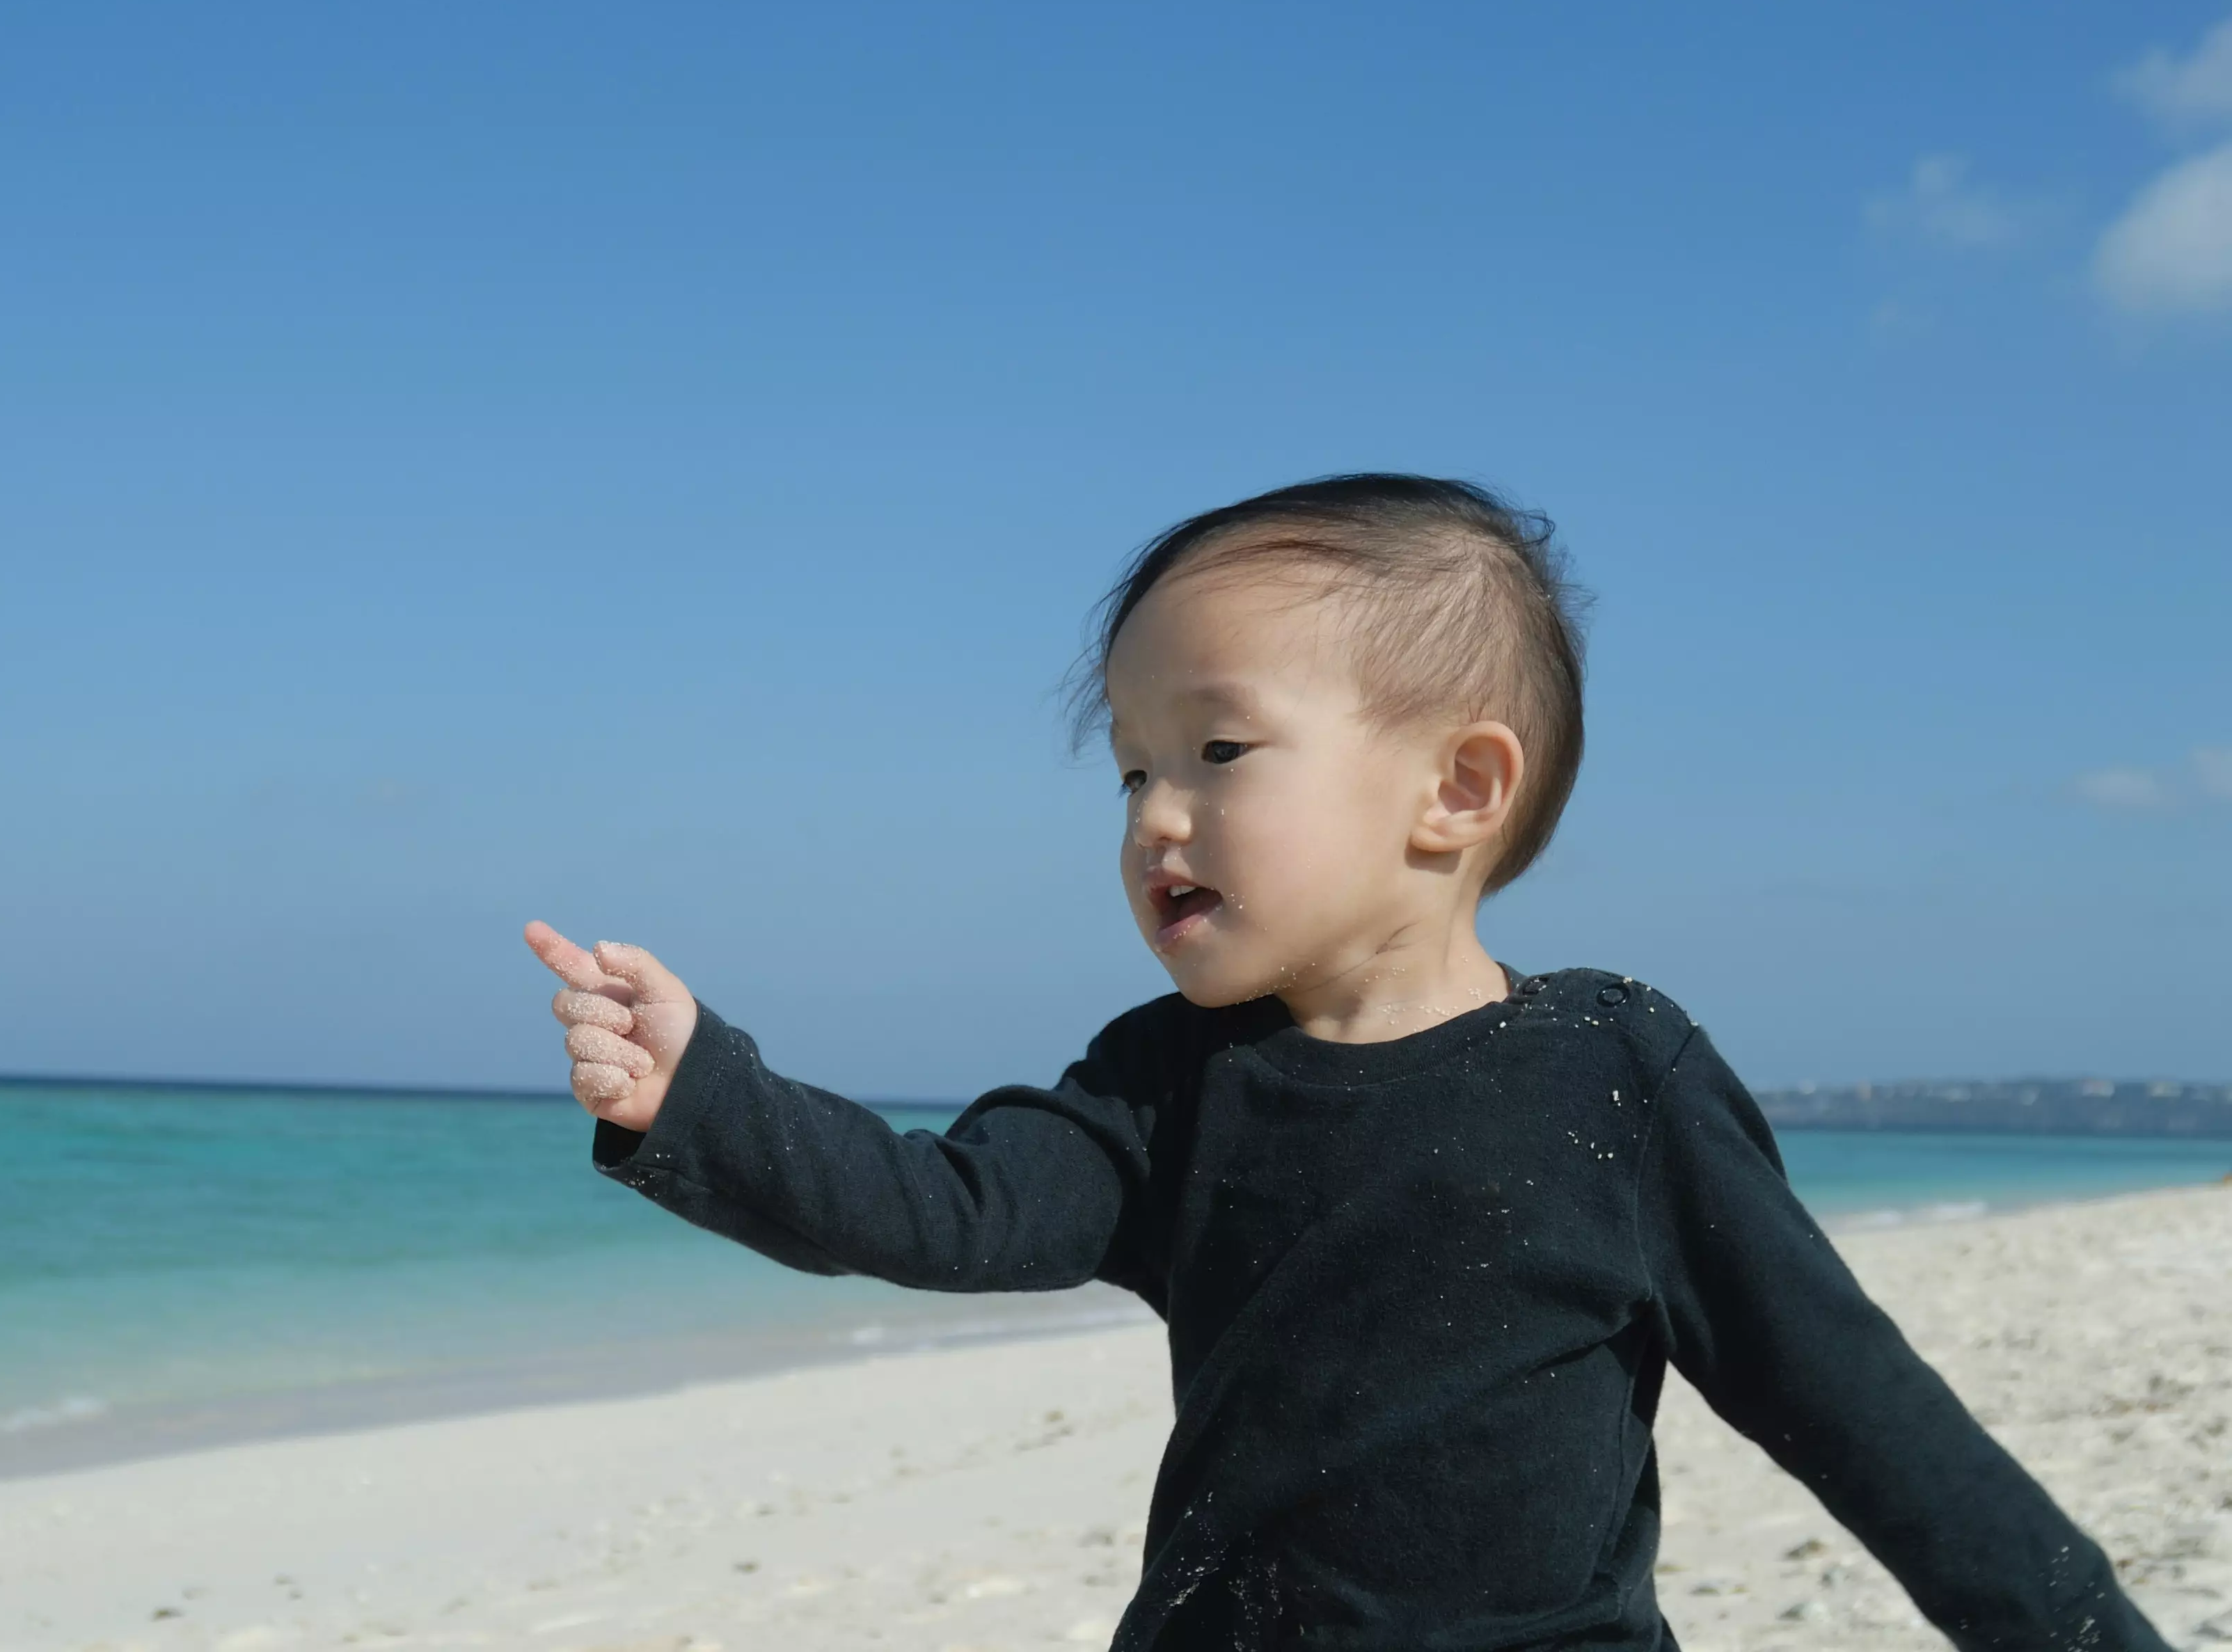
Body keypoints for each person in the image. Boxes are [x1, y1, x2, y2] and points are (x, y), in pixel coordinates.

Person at [521, 473, 2169, 1652]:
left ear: (1455, 790)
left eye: (1217, 752)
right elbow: (947, 1210)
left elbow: (1862, 1413)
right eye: (1130, 771)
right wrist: (704, 1097)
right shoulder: (1168, 1079)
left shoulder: (1609, 1075)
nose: (1158, 816)